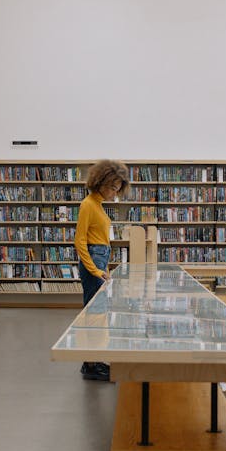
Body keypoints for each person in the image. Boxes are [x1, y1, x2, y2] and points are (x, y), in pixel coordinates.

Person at [76, 159, 127, 381]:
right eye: (112, 187)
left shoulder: (98, 205)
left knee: (98, 313)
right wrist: (96, 271)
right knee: (94, 313)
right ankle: (90, 364)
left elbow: (101, 241)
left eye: (117, 189)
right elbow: (80, 242)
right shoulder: (88, 204)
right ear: (100, 182)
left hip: (100, 262)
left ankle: (92, 360)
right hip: (93, 264)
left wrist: (104, 267)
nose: (114, 193)